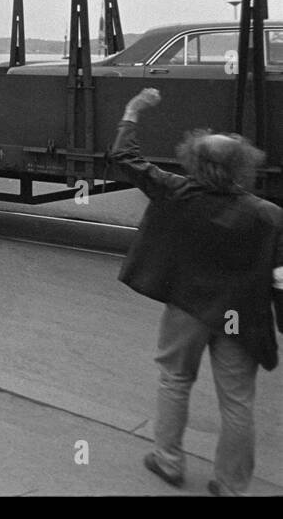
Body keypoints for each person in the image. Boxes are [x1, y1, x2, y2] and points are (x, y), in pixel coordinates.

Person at [112, 87, 283, 496]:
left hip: (186, 308)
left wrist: (132, 110)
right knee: (238, 402)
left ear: (194, 161)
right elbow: (279, 277)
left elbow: (124, 158)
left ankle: (168, 462)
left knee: (174, 380)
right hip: (240, 315)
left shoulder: (175, 190)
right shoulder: (268, 215)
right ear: (243, 167)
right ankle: (231, 485)